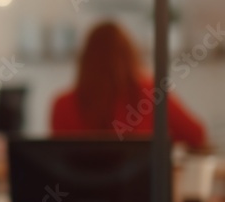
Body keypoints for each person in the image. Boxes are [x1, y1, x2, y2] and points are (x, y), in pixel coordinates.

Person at [50, 21, 207, 149]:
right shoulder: (151, 93)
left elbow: (60, 162)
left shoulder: (62, 105)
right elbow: (196, 135)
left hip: (81, 188)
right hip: (142, 187)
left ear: (85, 60)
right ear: (129, 56)